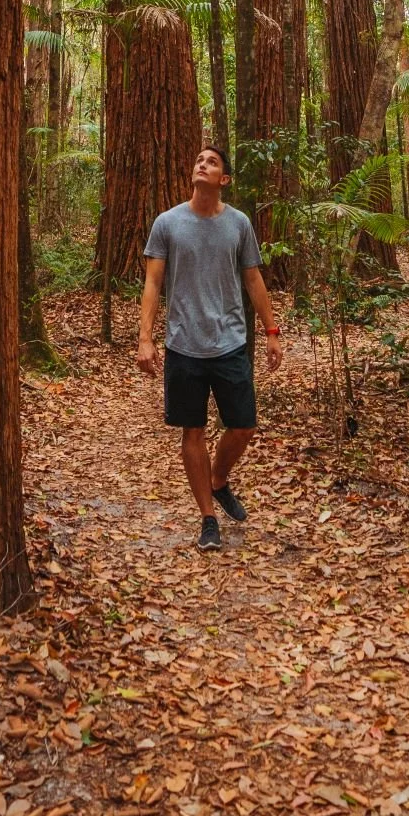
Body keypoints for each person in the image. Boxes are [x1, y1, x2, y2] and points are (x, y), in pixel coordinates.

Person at [136, 145, 283, 549]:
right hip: (184, 345)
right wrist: (145, 338)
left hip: (230, 341)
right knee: (193, 430)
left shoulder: (238, 224)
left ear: (224, 179)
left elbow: (253, 279)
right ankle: (207, 518)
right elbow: (153, 282)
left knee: (244, 425)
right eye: (199, 159)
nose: (203, 164)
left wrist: (271, 331)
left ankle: (218, 480)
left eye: (212, 162)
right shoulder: (167, 223)